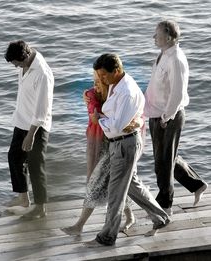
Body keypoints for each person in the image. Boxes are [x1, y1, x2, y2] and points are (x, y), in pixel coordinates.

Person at [84, 53, 170, 248]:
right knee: (133, 186)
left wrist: (99, 120)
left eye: (104, 75)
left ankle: (107, 237)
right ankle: (161, 218)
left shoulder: (127, 92)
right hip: (122, 143)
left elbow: (116, 126)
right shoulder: (116, 85)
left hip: (125, 144)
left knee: (115, 193)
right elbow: (115, 117)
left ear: (116, 71)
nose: (102, 80)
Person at [144, 20, 208, 216]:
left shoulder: (176, 59)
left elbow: (178, 94)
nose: (154, 37)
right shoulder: (163, 54)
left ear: (169, 37)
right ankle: (196, 185)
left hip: (168, 116)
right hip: (156, 113)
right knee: (165, 158)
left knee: (162, 163)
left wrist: (166, 116)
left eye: (157, 34)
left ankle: (165, 205)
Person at [61, 71, 137, 236]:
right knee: (105, 182)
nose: (94, 86)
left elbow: (112, 116)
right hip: (96, 142)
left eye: (98, 82)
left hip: (114, 142)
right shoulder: (92, 94)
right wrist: (89, 96)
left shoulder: (116, 95)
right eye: (93, 82)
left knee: (104, 182)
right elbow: (94, 111)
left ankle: (80, 225)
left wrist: (101, 113)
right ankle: (130, 215)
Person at [4, 40, 54, 219]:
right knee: (14, 157)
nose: (15, 66)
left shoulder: (42, 73)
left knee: (35, 166)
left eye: (16, 63)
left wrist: (31, 135)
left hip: (37, 127)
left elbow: (42, 109)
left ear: (24, 57)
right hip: (21, 121)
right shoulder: (24, 67)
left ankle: (41, 208)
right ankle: (23, 198)